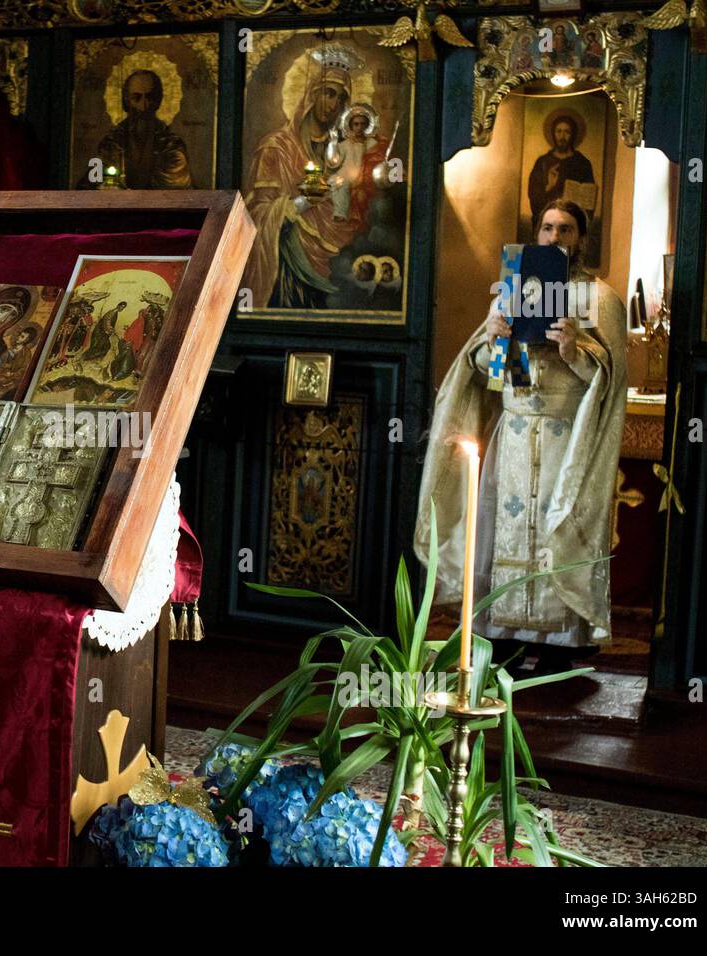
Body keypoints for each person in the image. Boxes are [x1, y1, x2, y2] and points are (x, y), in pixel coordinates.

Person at [415, 200, 627, 673]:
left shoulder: (600, 299)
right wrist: (492, 341)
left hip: (566, 439)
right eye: (547, 228)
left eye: (566, 229)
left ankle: (562, 645)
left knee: (556, 527)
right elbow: (488, 377)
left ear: (582, 239)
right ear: (537, 234)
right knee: (501, 533)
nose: (555, 237)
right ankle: (502, 638)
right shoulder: (510, 292)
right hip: (513, 435)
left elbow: (611, 380)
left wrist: (575, 348)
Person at [242, 45, 387, 309]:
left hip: (340, 259)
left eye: (340, 99)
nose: (332, 105)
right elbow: (257, 213)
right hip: (290, 266)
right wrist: (300, 204)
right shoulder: (278, 147)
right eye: (328, 94)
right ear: (311, 95)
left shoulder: (342, 150)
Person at [90, 69, 193, 189]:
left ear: (158, 99)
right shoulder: (112, 142)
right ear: (126, 100)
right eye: (136, 98)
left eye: (149, 97)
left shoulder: (172, 144)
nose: (144, 105)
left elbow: (177, 186)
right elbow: (94, 183)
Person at [527, 114, 595, 228]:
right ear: (553, 134)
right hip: (547, 225)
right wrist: (549, 186)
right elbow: (534, 198)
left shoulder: (583, 163)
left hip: (571, 225)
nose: (562, 136)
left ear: (572, 135)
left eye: (567, 132)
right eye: (559, 131)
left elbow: (589, 202)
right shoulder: (543, 162)